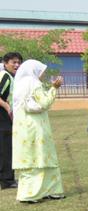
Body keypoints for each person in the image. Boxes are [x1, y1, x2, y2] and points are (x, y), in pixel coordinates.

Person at [10, 60, 64, 203]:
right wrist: (54, 88)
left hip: (22, 127)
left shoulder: (20, 84)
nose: (44, 75)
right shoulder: (33, 83)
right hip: (35, 126)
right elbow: (45, 103)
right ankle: (43, 192)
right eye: (42, 72)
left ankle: (35, 192)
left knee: (29, 158)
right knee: (43, 155)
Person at [0, 52, 22, 190]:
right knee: (6, 149)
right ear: (5, 63)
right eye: (14, 62)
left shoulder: (11, 77)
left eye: (18, 62)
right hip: (2, 117)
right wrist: (7, 107)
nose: (16, 65)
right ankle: (7, 181)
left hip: (5, 116)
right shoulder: (5, 76)